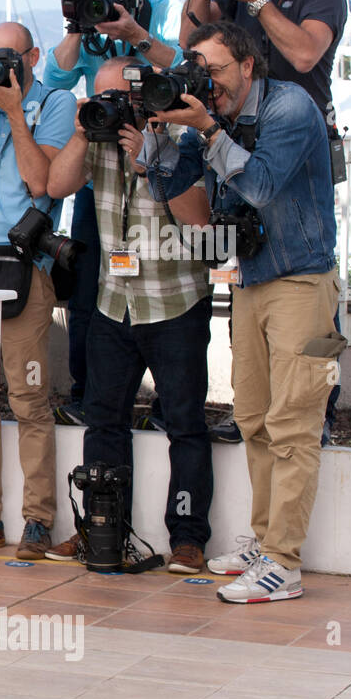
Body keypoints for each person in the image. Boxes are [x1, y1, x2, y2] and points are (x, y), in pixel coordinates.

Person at [145, 22, 343, 603]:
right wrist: (158, 129)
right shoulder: (211, 114)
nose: (206, 82)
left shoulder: (290, 107)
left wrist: (206, 128)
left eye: (215, 71)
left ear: (249, 65)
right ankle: (264, 543)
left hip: (304, 283)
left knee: (294, 424)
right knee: (255, 418)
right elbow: (171, 190)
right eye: (197, 70)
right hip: (251, 281)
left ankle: (284, 562)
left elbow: (256, 186)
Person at [46, 58, 214, 574]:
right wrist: (80, 132)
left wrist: (153, 157)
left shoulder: (183, 139)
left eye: (118, 97)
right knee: (104, 421)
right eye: (101, 97)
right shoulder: (96, 140)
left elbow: (201, 220)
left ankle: (187, 539)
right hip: (112, 302)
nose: (110, 106)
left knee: (184, 425)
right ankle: (101, 529)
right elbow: (56, 186)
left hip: (175, 302)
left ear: (143, 96)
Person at [180, 0, 348, 446]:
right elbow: (192, 47)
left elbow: (302, 53)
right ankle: (254, 402)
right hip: (239, 133)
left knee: (305, 259)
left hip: (299, 139)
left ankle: (318, 410)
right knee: (248, 255)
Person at [0, 21, 77, 559]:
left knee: (28, 400)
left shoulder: (58, 103)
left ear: (32, 56)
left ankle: (37, 520)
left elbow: (40, 182)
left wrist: (14, 110)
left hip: (23, 265)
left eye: (6, 57)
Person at [43, 0, 184, 424]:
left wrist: (136, 33)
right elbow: (55, 78)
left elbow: (182, 65)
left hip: (155, 151)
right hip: (102, 156)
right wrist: (79, 25)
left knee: (173, 276)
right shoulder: (90, 19)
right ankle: (88, 393)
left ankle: (172, 401)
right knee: (89, 283)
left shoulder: (163, 13)